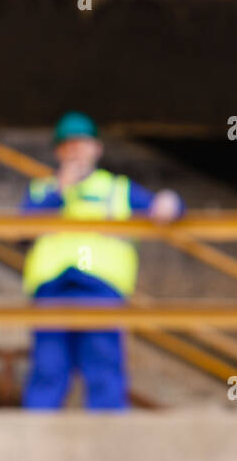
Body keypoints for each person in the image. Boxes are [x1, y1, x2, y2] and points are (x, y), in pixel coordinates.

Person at [21, 111, 183, 410]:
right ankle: (33, 442)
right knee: (47, 369)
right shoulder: (43, 189)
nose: (75, 151)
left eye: (81, 144)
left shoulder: (117, 189)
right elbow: (22, 228)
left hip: (100, 288)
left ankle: (108, 449)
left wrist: (171, 200)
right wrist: (61, 188)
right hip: (53, 288)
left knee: (104, 368)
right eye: (68, 145)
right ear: (58, 152)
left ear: (97, 148)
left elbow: (164, 206)